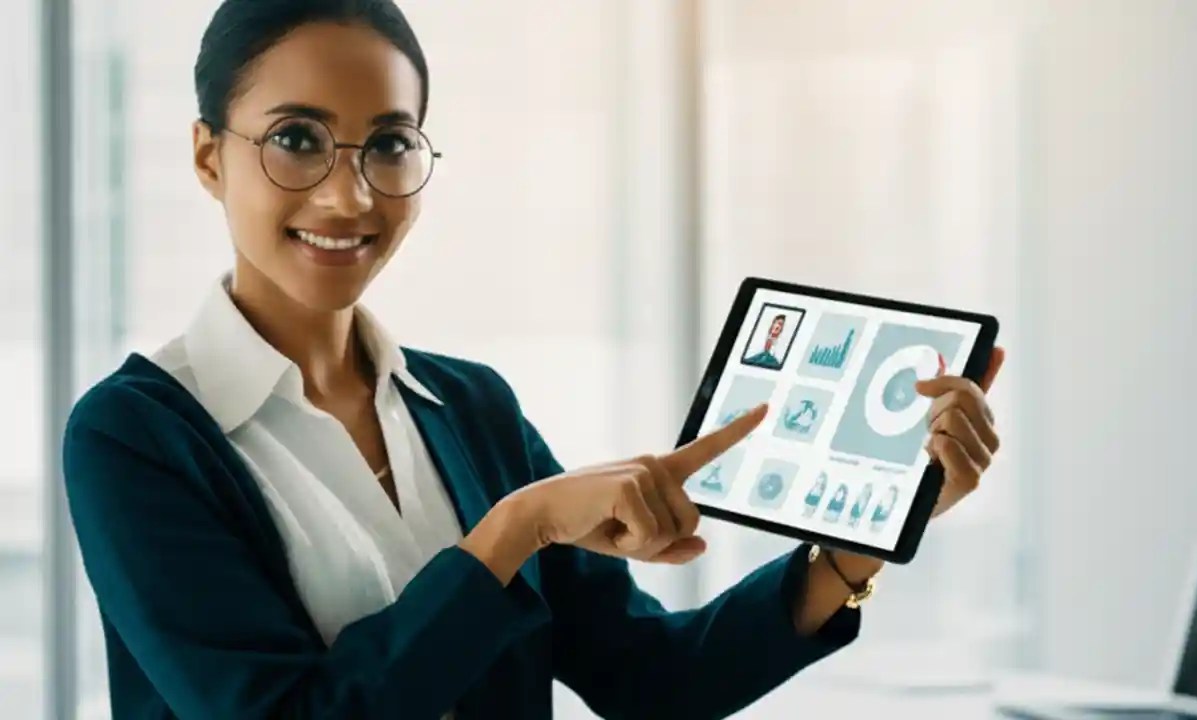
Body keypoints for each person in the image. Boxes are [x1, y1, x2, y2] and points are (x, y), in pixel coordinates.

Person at [60, 1, 1007, 718]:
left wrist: (853, 545)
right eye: (296, 140)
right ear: (205, 157)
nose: (350, 196)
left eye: (389, 145)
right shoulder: (133, 437)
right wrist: (515, 532)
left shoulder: (468, 406)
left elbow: (653, 679)